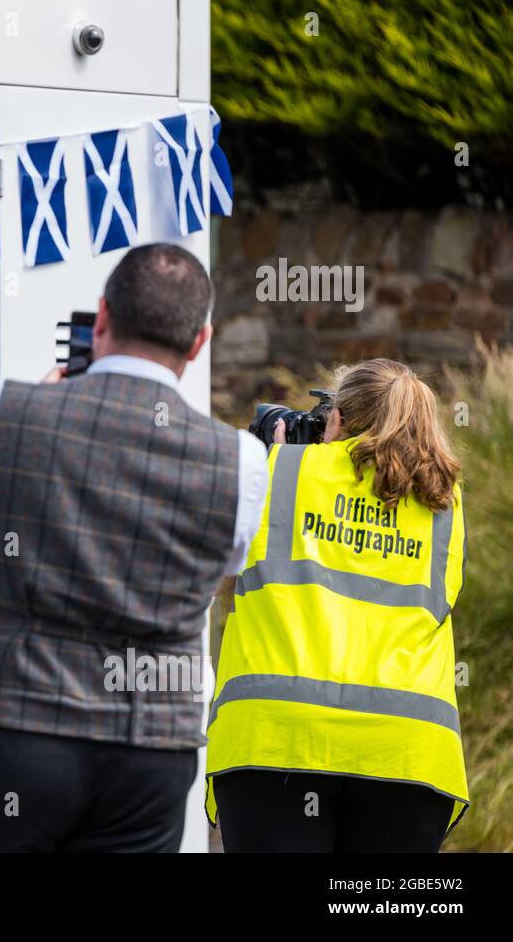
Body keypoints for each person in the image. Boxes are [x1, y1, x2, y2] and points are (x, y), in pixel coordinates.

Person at [0, 243, 268, 852]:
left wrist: (29, 407)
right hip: (150, 751)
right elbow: (222, 563)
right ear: (199, 342)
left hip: (7, 730)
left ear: (102, 317)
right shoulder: (241, 459)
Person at [206, 358, 468, 852]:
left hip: (277, 739)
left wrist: (276, 465)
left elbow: (213, 576)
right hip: (408, 749)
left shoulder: (278, 470)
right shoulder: (444, 503)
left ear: (339, 419)